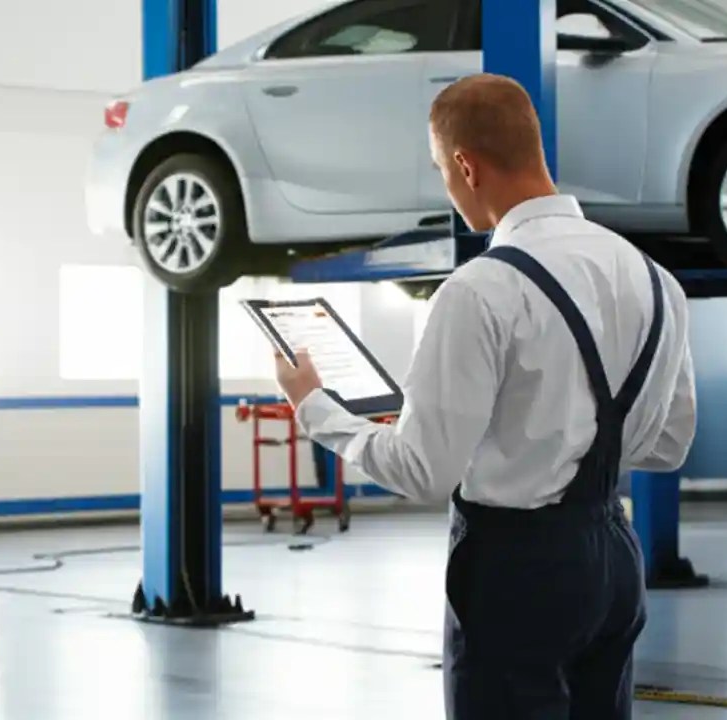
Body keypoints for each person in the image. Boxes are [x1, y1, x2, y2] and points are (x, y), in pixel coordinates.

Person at [273, 73, 697, 719]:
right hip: (614, 559)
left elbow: (423, 470)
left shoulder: (479, 290)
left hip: (515, 571)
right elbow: (669, 445)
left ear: (466, 166)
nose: (447, 183)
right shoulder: (655, 279)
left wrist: (315, 407)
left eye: (443, 168)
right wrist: (567, 445)